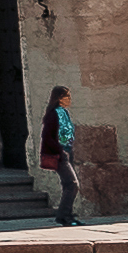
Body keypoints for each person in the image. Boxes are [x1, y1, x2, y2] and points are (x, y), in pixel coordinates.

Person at [40, 86, 81, 226]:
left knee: (68, 185)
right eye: (67, 97)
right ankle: (64, 216)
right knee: (73, 184)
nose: (69, 100)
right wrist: (60, 150)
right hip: (60, 154)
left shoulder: (64, 112)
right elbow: (47, 136)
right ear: (59, 98)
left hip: (67, 152)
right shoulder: (53, 114)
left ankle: (65, 216)